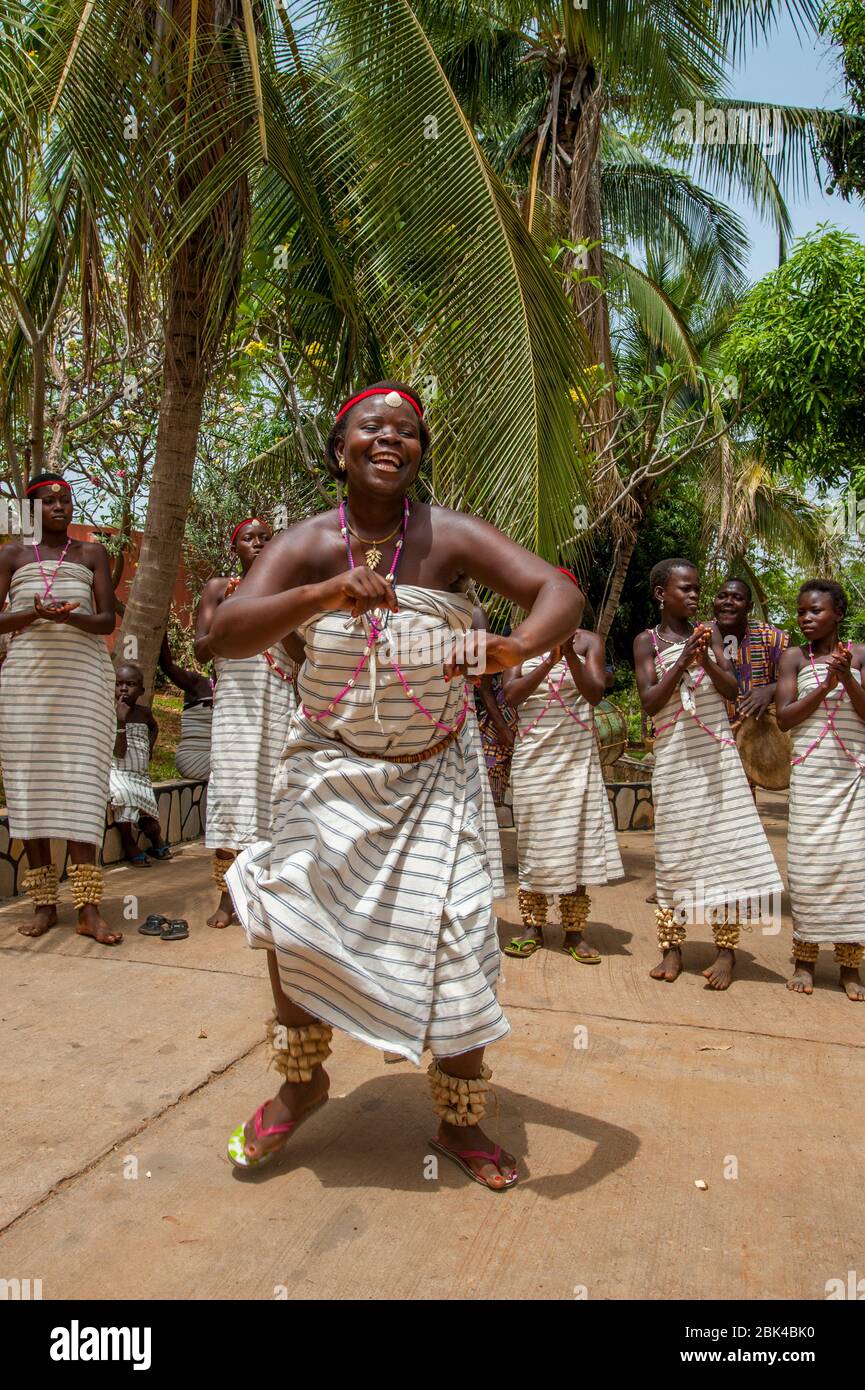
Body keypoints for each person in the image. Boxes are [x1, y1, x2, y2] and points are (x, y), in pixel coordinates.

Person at [208, 380, 582, 1192]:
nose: (390, 440)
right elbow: (221, 634)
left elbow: (559, 590)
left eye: (406, 432)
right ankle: (303, 1080)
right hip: (328, 768)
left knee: (456, 939)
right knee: (289, 904)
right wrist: (323, 593)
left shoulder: (450, 537)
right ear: (338, 448)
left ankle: (459, 1118)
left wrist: (512, 649)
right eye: (371, 428)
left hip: (436, 776)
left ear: (419, 453)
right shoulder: (307, 544)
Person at [634, 558, 782, 990]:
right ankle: (671, 949)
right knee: (674, 851)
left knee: (725, 851)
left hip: (717, 760)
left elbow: (733, 688)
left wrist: (705, 657)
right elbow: (649, 702)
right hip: (675, 762)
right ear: (662, 594)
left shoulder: (711, 633)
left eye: (698, 588)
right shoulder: (646, 642)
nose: (696, 596)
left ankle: (725, 953)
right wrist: (682, 662)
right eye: (686, 589)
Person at [0, 473, 119, 943]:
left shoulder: (92, 554)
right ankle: (44, 905)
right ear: (31, 511)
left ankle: (89, 910)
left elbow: (108, 618)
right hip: (28, 681)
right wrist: (34, 614)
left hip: (82, 680)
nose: (59, 508)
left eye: (66, 501)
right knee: (31, 783)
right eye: (48, 503)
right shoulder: (11, 555)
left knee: (81, 784)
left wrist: (69, 617)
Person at [503, 572, 623, 964]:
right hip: (535, 757)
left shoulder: (590, 641)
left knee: (577, 840)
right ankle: (532, 927)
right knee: (535, 840)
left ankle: (575, 933)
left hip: (575, 755)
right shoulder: (518, 640)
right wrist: (547, 659)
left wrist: (568, 653)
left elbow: (593, 692)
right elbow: (513, 696)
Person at [195, 518, 298, 928]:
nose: (257, 543)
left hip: (278, 701)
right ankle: (227, 899)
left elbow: (302, 656)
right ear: (234, 547)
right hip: (237, 706)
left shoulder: (289, 593)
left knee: (277, 796)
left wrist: (276, 608)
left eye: (264, 538)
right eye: (248, 539)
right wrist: (237, 616)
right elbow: (202, 650)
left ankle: (270, 898)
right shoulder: (220, 589)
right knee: (233, 796)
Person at [776, 580, 865, 1002]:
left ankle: (850, 967)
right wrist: (826, 686)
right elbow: (785, 718)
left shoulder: (860, 654)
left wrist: (848, 679)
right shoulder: (793, 658)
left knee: (851, 873)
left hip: (852, 779)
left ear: (838, 614)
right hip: (811, 779)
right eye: (802, 612)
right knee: (809, 872)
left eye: (815, 611)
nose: (806, 619)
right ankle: (805, 961)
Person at [110, 662, 171, 865]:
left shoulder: (144, 713)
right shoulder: (111, 714)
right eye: (119, 684)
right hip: (118, 772)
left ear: (142, 690)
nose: (124, 688)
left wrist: (150, 746)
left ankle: (156, 840)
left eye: (131, 684)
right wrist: (120, 721)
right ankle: (129, 844)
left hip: (140, 775)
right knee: (123, 797)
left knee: (151, 820)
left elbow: (153, 727)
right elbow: (118, 753)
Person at [158, 632, 213, 781]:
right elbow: (168, 667)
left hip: (217, 758)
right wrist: (162, 635)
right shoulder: (199, 684)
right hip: (193, 757)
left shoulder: (238, 692)